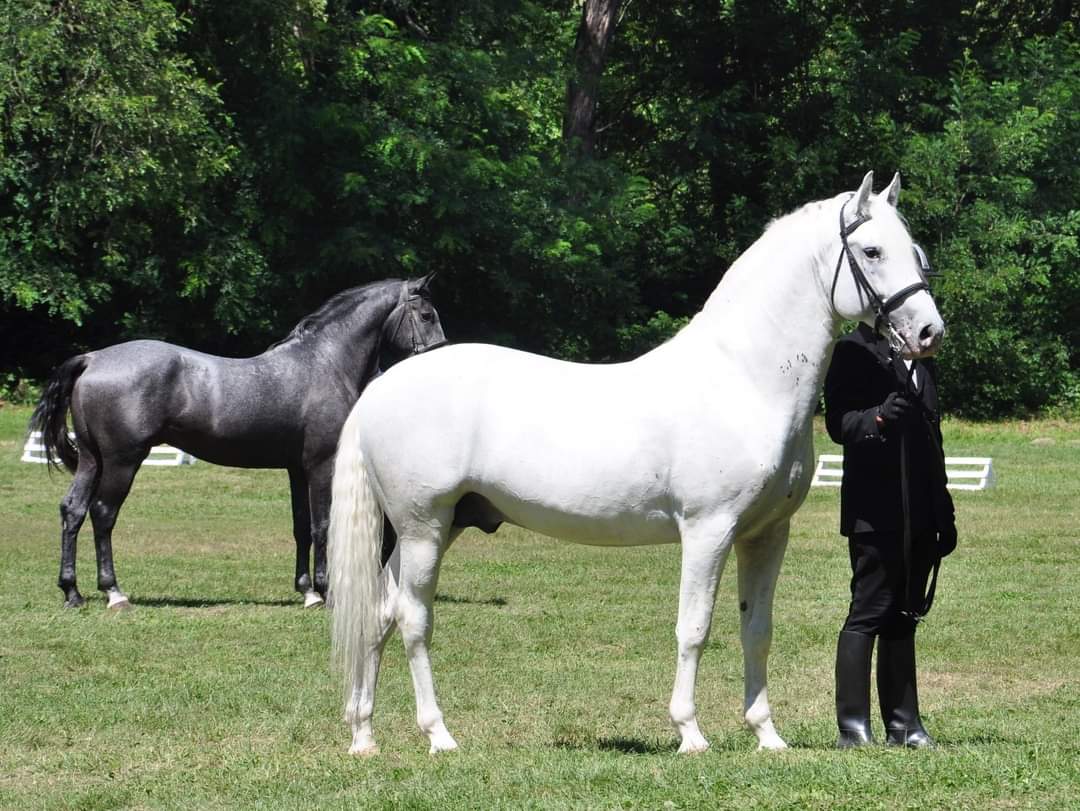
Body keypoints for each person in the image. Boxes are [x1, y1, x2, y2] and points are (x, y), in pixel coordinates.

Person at [824, 320, 957, 748]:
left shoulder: (922, 357)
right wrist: (878, 417)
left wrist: (944, 509)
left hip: (920, 508)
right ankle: (853, 728)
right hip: (875, 508)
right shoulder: (853, 348)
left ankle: (904, 725)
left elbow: (932, 439)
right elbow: (838, 423)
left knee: (904, 616)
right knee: (868, 610)